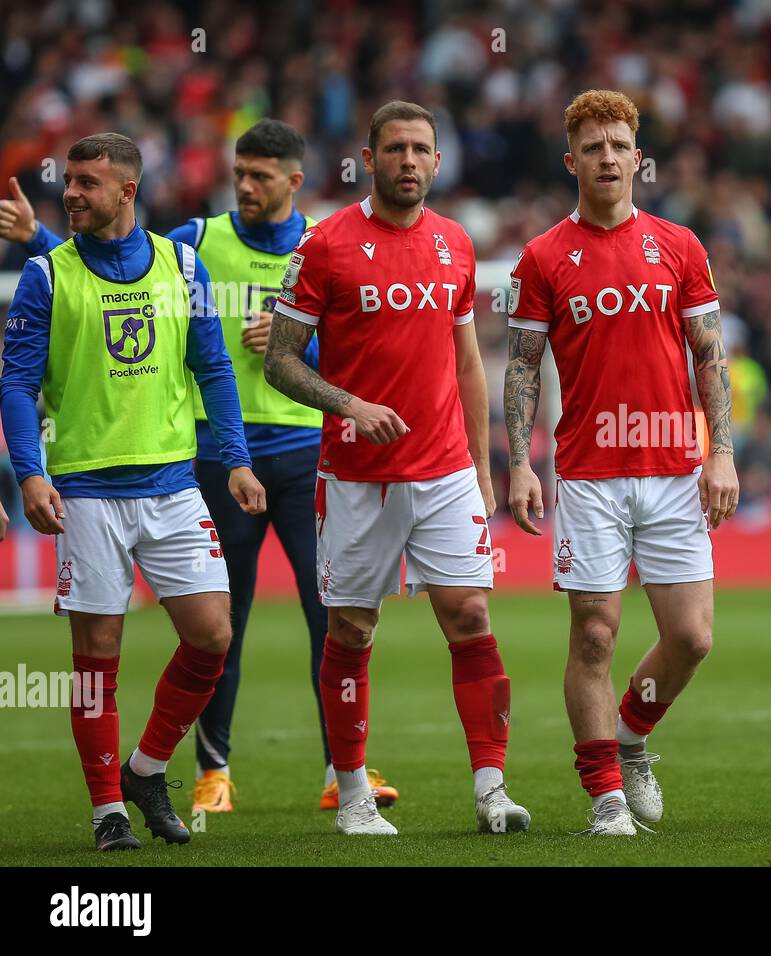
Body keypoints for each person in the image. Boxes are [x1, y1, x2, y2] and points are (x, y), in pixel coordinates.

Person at [0, 120, 400, 814]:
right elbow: (104, 272)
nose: (244, 185)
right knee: (226, 623)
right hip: (215, 455)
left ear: (294, 182)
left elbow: (353, 349)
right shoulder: (195, 242)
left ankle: (344, 771)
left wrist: (295, 350)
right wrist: (38, 240)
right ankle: (212, 771)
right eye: (238, 171)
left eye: (260, 175)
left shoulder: (322, 247)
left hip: (307, 449)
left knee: (330, 614)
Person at [264, 100, 529, 836]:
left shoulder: (456, 245)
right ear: (369, 158)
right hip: (356, 478)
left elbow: (468, 363)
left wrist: (483, 468)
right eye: (395, 149)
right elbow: (278, 359)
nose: (409, 161)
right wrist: (349, 404)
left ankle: (491, 792)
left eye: (421, 149)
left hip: (445, 472)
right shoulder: (324, 247)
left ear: (438, 163)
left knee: (471, 616)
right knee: (351, 629)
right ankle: (352, 795)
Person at [0, 132, 266, 850]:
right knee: (98, 656)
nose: (71, 192)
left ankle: (147, 769)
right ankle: (108, 811)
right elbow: (18, 383)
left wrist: (237, 461)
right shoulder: (46, 276)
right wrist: (30, 471)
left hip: (175, 485)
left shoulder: (182, 264)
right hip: (86, 493)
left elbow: (213, 369)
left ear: (126, 191)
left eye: (88, 182)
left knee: (212, 636)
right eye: (70, 181)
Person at [504, 90, 738, 836]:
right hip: (590, 472)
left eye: (619, 145)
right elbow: (522, 370)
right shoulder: (543, 257)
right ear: (571, 160)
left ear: (639, 157)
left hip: (674, 467)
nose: (607, 157)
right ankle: (606, 793)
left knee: (694, 638)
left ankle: (632, 736)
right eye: (593, 147)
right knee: (596, 634)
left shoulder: (679, 246)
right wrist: (518, 461)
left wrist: (722, 451)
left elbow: (710, 356)